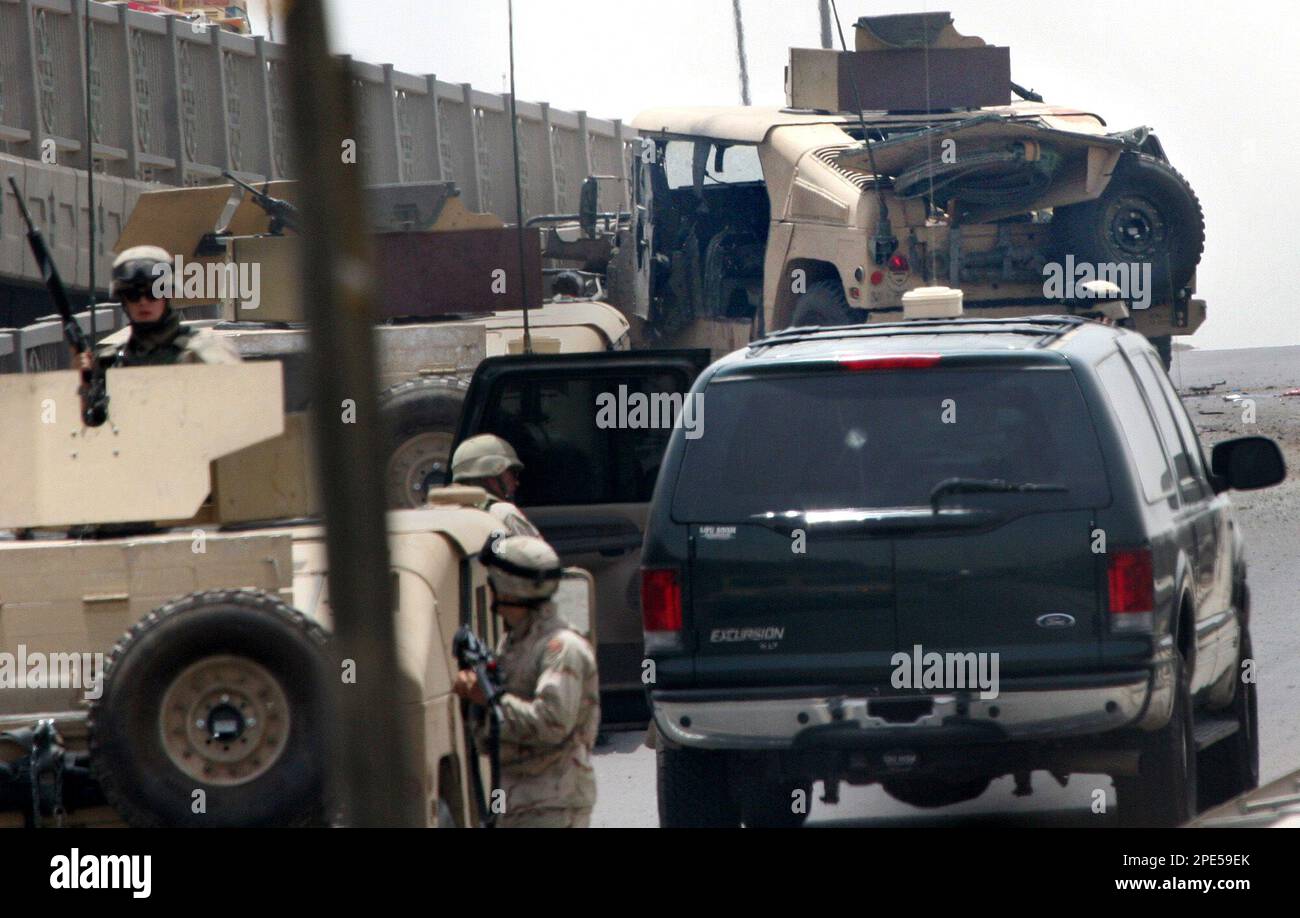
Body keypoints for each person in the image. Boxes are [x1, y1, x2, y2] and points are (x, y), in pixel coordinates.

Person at [452, 534, 600, 828]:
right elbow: (491, 739)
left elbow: (552, 723)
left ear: (510, 590)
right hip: (519, 799)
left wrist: (490, 698)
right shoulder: (515, 644)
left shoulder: (560, 648)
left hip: (553, 803)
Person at [77, 245, 240, 369]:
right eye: (132, 295)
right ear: (123, 301)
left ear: (169, 294)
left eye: (153, 293)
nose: (143, 302)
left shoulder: (206, 351)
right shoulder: (110, 362)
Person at [449, 433, 540, 537]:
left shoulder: (443, 514)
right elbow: (536, 552)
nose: (516, 482)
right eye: (513, 473)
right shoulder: (502, 513)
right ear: (491, 478)